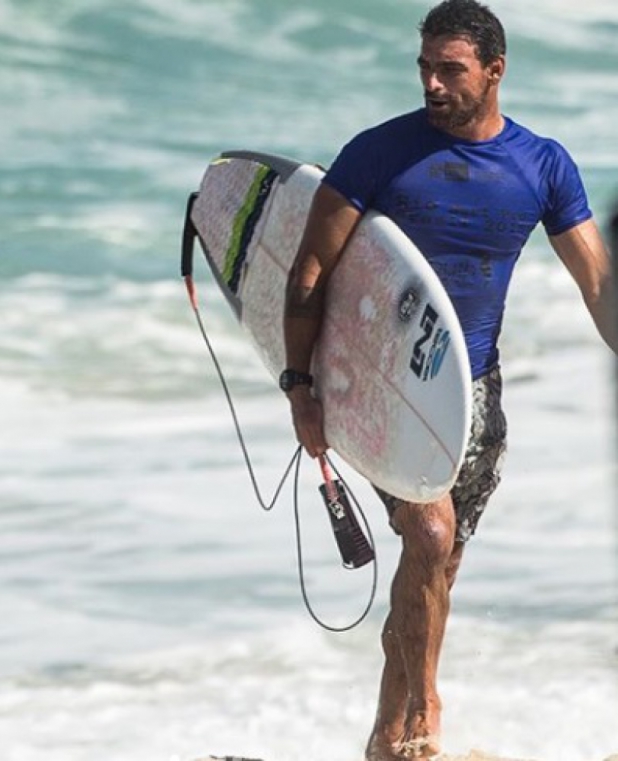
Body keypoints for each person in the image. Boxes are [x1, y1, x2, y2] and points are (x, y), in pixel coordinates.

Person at [281, 1, 618, 759]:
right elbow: (307, 276)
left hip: (474, 387)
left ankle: (383, 735)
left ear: (495, 72)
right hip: (381, 382)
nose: (432, 83)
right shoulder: (378, 153)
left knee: (438, 564)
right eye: (425, 68)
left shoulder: (542, 165)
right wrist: (301, 388)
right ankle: (426, 707)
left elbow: (599, 285)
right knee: (429, 536)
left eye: (451, 69)